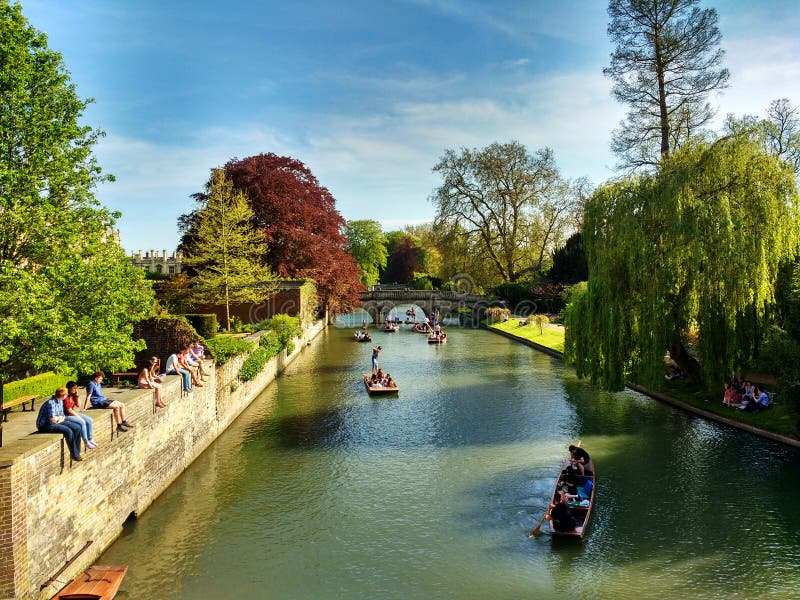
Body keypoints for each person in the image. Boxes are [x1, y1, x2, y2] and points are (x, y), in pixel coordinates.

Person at [36, 388, 84, 461]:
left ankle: (77, 451)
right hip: (45, 425)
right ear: (63, 395)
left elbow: (62, 415)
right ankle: (74, 454)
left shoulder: (61, 401)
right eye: (66, 394)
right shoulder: (50, 403)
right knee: (68, 431)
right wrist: (59, 418)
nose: (67, 395)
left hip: (58, 421)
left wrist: (59, 418)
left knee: (77, 427)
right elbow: (52, 419)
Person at [64, 380, 96, 449]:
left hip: (72, 413)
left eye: (76, 388)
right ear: (69, 388)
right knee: (82, 422)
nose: (76, 389)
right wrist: (78, 417)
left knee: (89, 420)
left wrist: (77, 395)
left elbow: (78, 405)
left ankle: (90, 439)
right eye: (74, 388)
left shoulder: (73, 396)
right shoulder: (65, 397)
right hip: (65, 415)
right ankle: (86, 442)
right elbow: (69, 410)